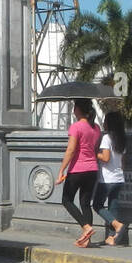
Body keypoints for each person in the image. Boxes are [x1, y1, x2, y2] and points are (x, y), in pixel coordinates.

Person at [55, 98, 100, 247]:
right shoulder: (96, 128)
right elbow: (93, 149)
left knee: (66, 200)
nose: (73, 110)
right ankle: (86, 241)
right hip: (92, 170)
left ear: (78, 110)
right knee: (85, 204)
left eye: (74, 107)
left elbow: (71, 150)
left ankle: (86, 228)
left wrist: (61, 170)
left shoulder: (76, 127)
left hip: (77, 170)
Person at [93, 110, 130, 247]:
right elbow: (123, 162)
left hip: (107, 179)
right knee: (113, 207)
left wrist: (95, 154)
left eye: (105, 121)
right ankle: (111, 238)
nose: (103, 123)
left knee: (97, 205)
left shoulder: (106, 138)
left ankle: (118, 225)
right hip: (119, 178)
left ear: (109, 124)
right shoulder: (122, 139)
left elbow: (106, 158)